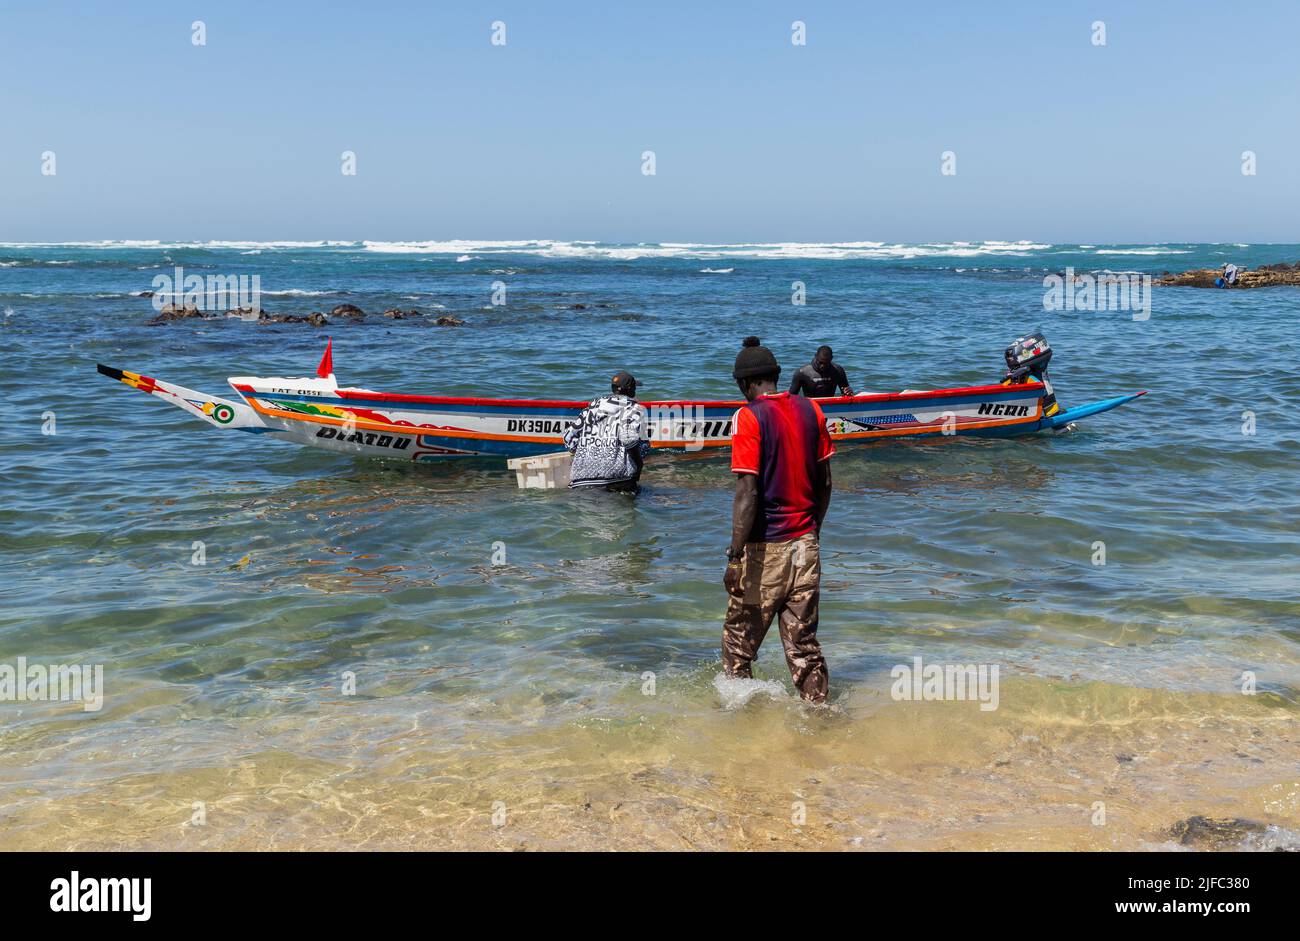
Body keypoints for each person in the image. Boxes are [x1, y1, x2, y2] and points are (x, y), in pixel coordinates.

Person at [722, 336, 833, 702]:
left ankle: (743, 731)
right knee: (803, 648)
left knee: (738, 646)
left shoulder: (748, 416)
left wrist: (735, 556)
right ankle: (819, 718)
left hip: (765, 550)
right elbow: (826, 483)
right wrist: (811, 531)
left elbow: (748, 493)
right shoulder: (812, 411)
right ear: (777, 375)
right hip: (806, 547)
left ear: (744, 384)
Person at [563, 371, 650, 492]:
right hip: (618, 481)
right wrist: (639, 466)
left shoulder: (591, 408)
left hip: (580, 481)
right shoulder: (632, 409)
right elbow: (629, 441)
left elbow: (568, 439)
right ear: (631, 390)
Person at [789, 345, 854, 398]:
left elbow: (846, 394)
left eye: (826, 363)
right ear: (816, 356)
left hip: (829, 407)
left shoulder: (838, 371)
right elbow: (791, 397)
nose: (822, 366)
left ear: (831, 358)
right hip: (810, 407)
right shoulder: (802, 373)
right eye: (820, 362)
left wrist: (848, 393)